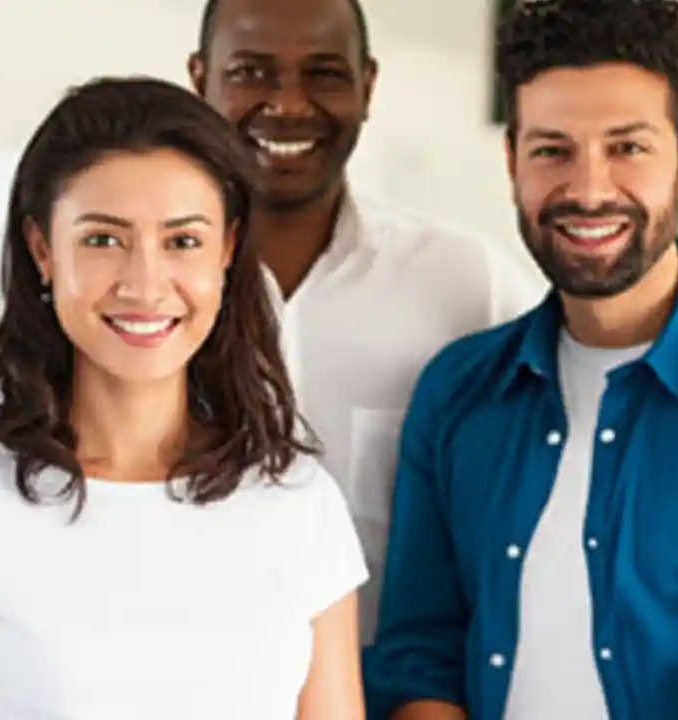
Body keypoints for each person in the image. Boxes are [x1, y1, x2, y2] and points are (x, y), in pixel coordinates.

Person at [364, 1, 678, 718]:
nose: (588, 189)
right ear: (511, 159)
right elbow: (420, 656)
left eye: (627, 147)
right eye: (552, 149)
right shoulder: (456, 392)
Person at [0, 77, 368, 720]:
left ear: (228, 250)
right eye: (104, 239)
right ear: (42, 249)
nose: (145, 283)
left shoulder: (301, 503)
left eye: (182, 241)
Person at [188, 0, 547, 642]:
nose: (289, 104)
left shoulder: (468, 282)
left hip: (402, 692)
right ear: (199, 81)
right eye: (251, 72)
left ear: (368, 84)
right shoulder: (147, 295)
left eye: (324, 73)